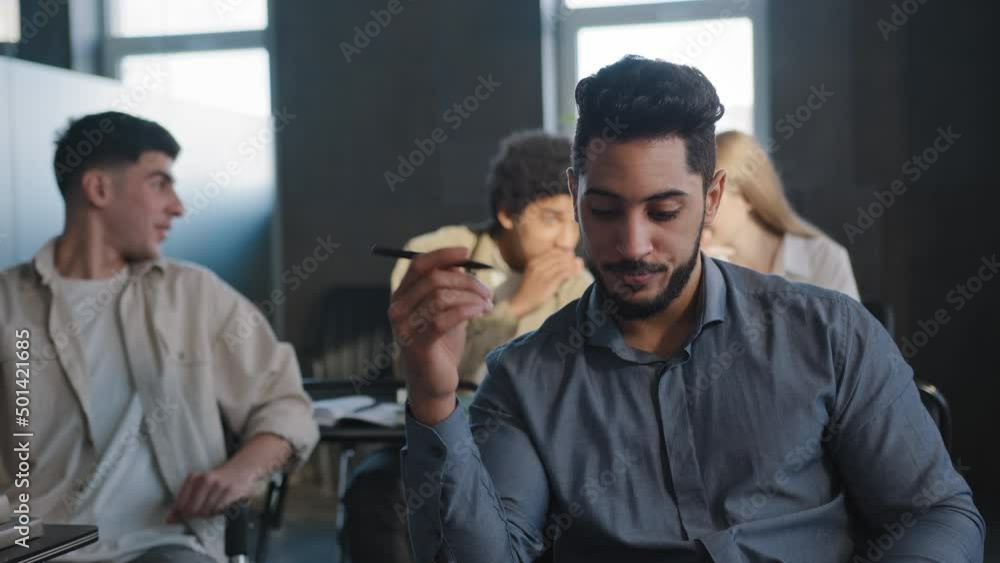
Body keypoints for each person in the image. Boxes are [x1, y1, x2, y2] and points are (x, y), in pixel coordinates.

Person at [391, 56, 985, 562]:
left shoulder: (829, 336)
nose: (632, 244)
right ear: (574, 196)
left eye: (664, 211)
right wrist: (434, 399)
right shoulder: (524, 377)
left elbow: (934, 513)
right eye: (603, 210)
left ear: (713, 198)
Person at [0, 112, 319, 563]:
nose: (178, 206)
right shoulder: (7, 306)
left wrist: (238, 472)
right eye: (159, 183)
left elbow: (286, 406)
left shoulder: (196, 296)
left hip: (165, 544)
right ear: (99, 189)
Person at [343, 130, 592, 563]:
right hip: (444, 430)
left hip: (535, 442)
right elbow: (419, 366)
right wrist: (517, 306)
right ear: (507, 213)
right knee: (376, 490)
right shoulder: (437, 254)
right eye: (551, 218)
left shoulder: (577, 279)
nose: (567, 240)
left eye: (574, 219)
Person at [703, 130, 861, 299]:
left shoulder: (824, 258)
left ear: (748, 197)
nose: (701, 215)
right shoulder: (706, 266)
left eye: (712, 197)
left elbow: (846, 325)